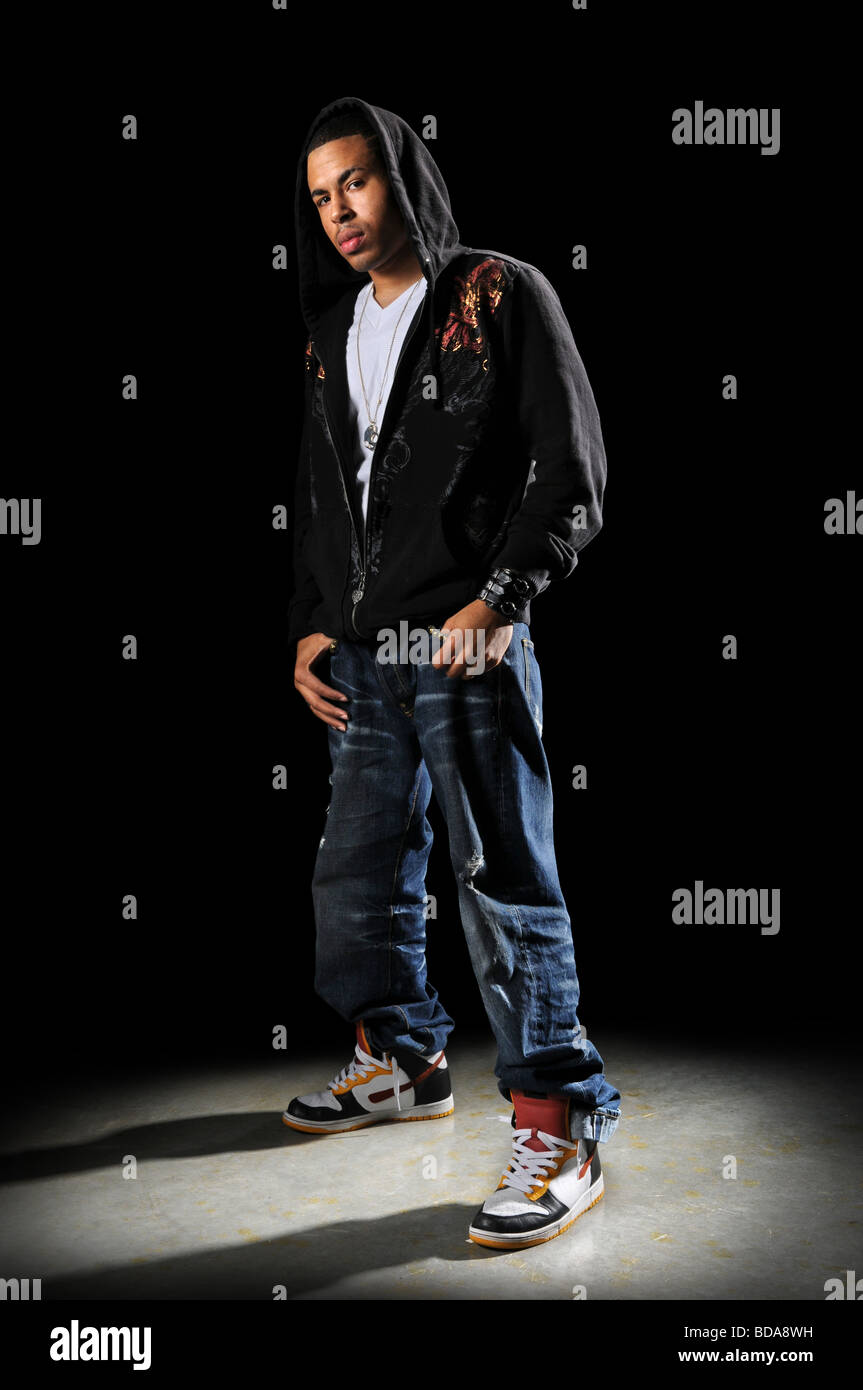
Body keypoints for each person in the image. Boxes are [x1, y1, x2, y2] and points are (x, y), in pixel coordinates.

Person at [282, 96, 621, 1249]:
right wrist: (310, 624)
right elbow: (325, 502)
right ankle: (403, 1053)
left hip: (465, 633)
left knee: (498, 872)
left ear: (401, 176)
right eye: (319, 196)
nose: (338, 213)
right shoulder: (330, 333)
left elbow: (569, 466)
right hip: (364, 650)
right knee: (358, 862)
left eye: (356, 185)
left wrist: (498, 601)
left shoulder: (497, 291)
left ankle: (558, 1120)